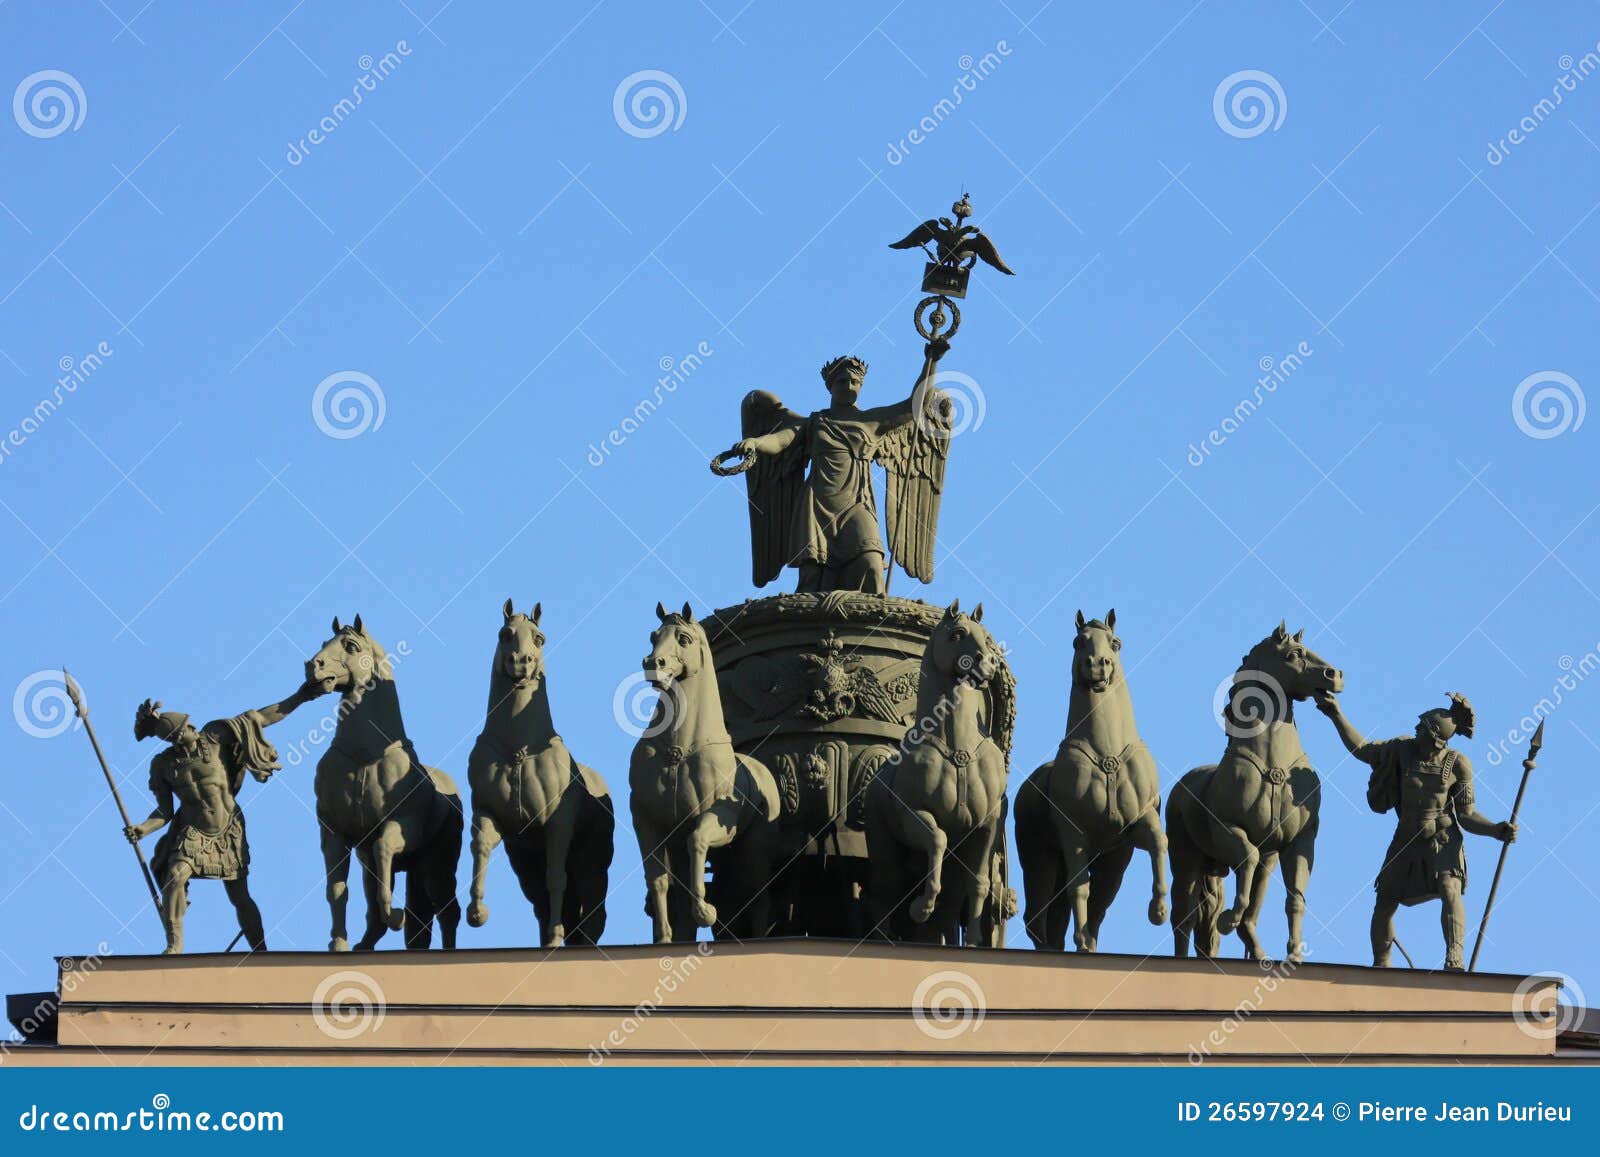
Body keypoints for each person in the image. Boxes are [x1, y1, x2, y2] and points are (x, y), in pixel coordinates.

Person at [1315, 691, 1516, 969]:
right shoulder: (1401, 750)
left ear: (1435, 735)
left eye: (1421, 727)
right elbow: (1363, 750)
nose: (1415, 729)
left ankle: (1454, 957)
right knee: (1385, 899)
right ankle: (1381, 963)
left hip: (1443, 839)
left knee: (1449, 888)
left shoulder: (1458, 763)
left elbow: (1467, 815)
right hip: (1407, 837)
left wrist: (1495, 829)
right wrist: (1336, 714)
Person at [126, 682, 321, 953]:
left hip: (228, 827)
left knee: (239, 895)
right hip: (193, 830)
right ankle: (174, 945)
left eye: (183, 732)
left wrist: (300, 696)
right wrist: (143, 829)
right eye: (175, 738)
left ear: (189, 726)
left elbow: (259, 718)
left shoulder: (215, 737)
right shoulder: (163, 765)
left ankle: (260, 951)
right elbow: (165, 811)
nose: (183, 738)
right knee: (174, 877)